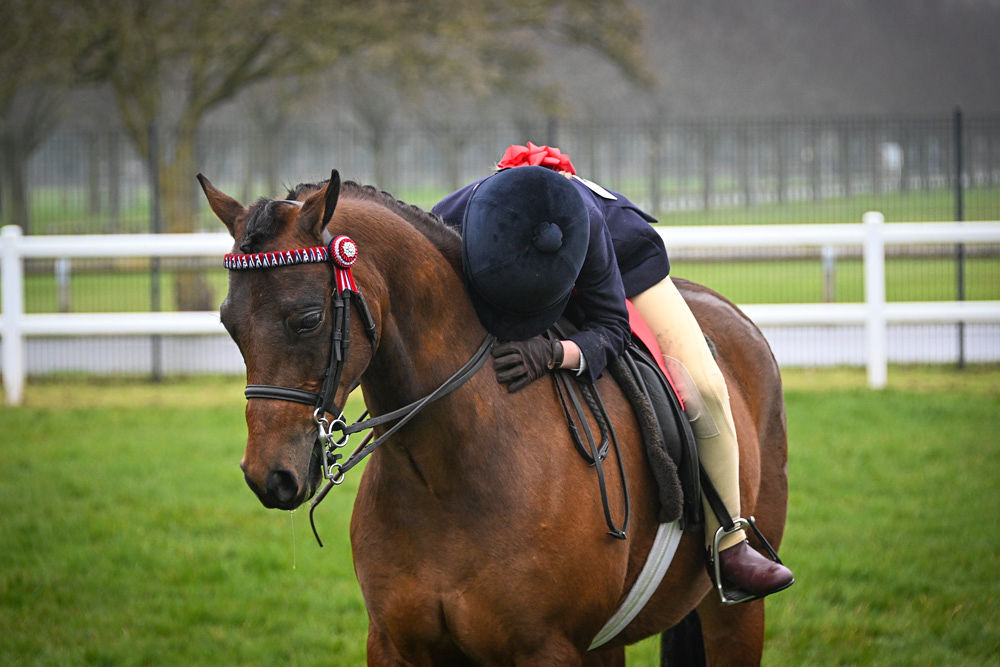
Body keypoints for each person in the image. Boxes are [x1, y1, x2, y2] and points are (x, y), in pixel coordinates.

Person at [433, 142, 793, 601]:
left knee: (703, 386)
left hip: (620, 259)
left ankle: (731, 543)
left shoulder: (598, 224)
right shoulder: (454, 215)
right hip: (516, 243)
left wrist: (552, 354)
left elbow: (611, 327)